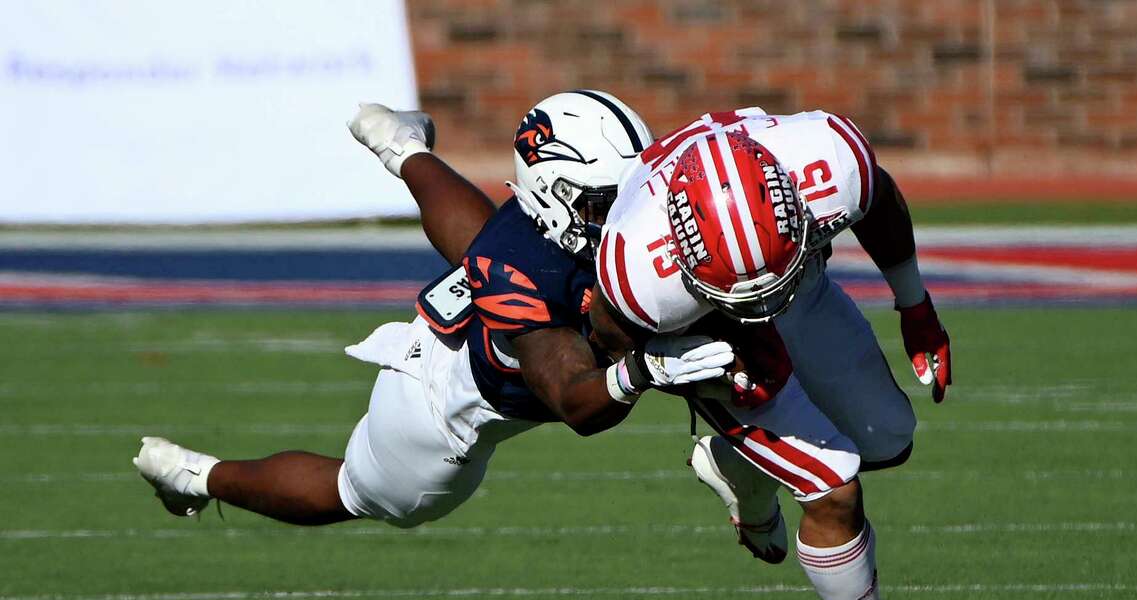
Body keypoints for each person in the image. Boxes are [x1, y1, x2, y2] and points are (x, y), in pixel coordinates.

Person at [133, 91, 733, 528]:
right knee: (354, 492)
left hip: (482, 306)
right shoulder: (523, 269)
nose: (629, 215)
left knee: (682, 323)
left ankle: (399, 145)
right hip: (436, 412)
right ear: (556, 196)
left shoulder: (540, 229)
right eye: (610, 201)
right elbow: (578, 401)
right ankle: (198, 476)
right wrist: (645, 373)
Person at [587, 109, 953, 600]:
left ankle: (741, 465)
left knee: (888, 438)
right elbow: (609, 329)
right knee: (832, 479)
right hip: (710, 329)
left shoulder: (830, 161)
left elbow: (880, 197)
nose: (763, 303)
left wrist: (915, 307)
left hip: (801, 281)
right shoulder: (638, 267)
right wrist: (689, 369)